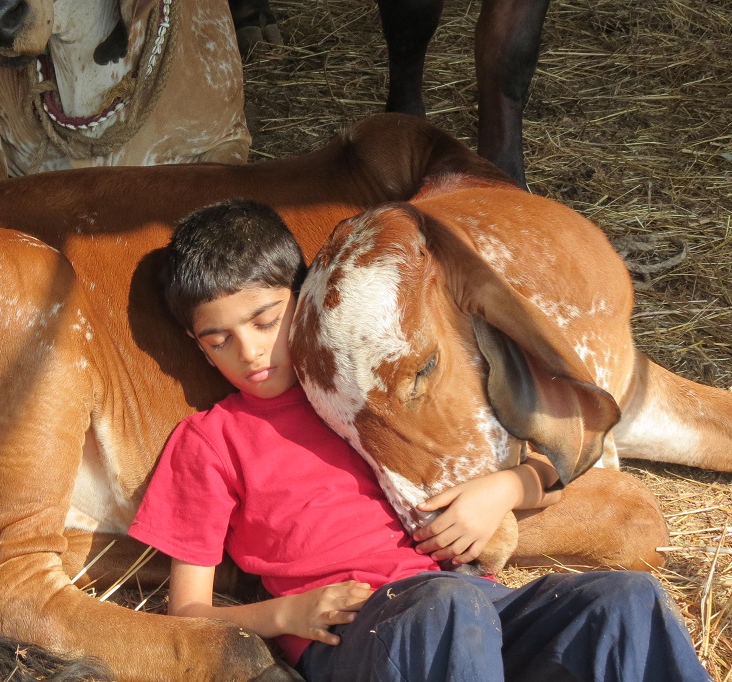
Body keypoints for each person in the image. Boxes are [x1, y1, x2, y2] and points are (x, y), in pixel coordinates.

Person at [128, 198, 710, 682]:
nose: (250, 352)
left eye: (265, 321)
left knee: (626, 601)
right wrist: (286, 615)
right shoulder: (211, 440)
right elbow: (188, 610)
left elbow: (553, 472)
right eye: (219, 340)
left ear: (305, 299)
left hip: (477, 608)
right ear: (197, 344)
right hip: (360, 632)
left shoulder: (365, 390)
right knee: (446, 609)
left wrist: (504, 489)